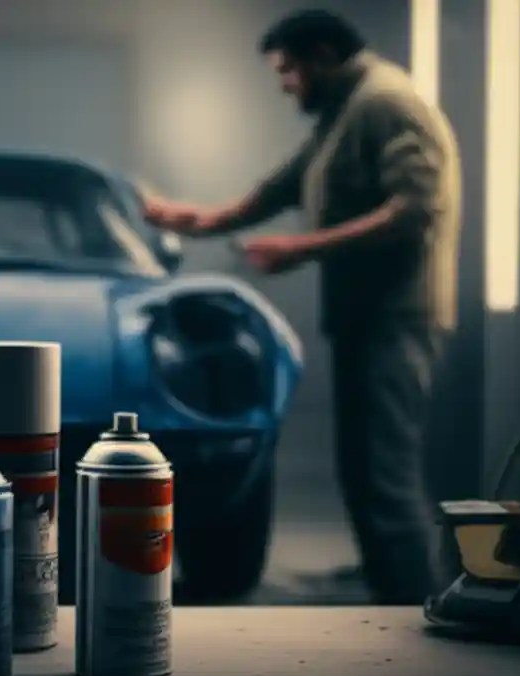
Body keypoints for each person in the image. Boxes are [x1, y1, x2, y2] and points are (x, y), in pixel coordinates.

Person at [141, 10, 461, 605]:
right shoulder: (345, 113)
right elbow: (280, 187)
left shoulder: (385, 102)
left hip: (396, 317)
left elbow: (417, 206)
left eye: (288, 70)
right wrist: (198, 219)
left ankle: (422, 612)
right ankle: (389, 587)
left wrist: (301, 247)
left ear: (321, 55)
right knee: (365, 471)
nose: (285, 84)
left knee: (384, 474)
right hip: (369, 318)